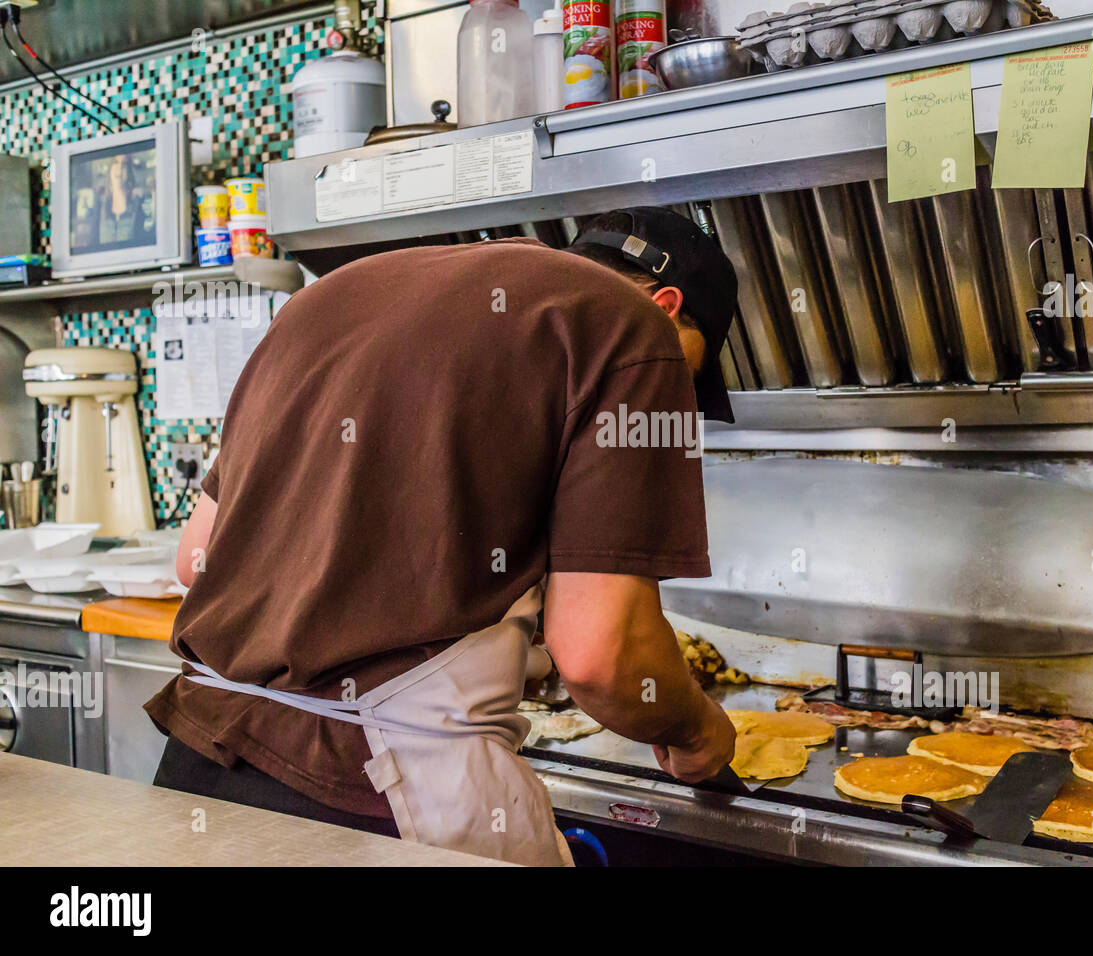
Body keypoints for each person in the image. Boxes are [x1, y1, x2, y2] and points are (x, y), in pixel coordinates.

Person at [146, 206, 740, 866]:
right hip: (379, 804)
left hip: (197, 771)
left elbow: (194, 561)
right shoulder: (633, 327)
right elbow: (603, 658)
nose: (680, 397)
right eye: (688, 379)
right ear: (667, 305)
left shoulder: (333, 295)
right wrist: (695, 728)